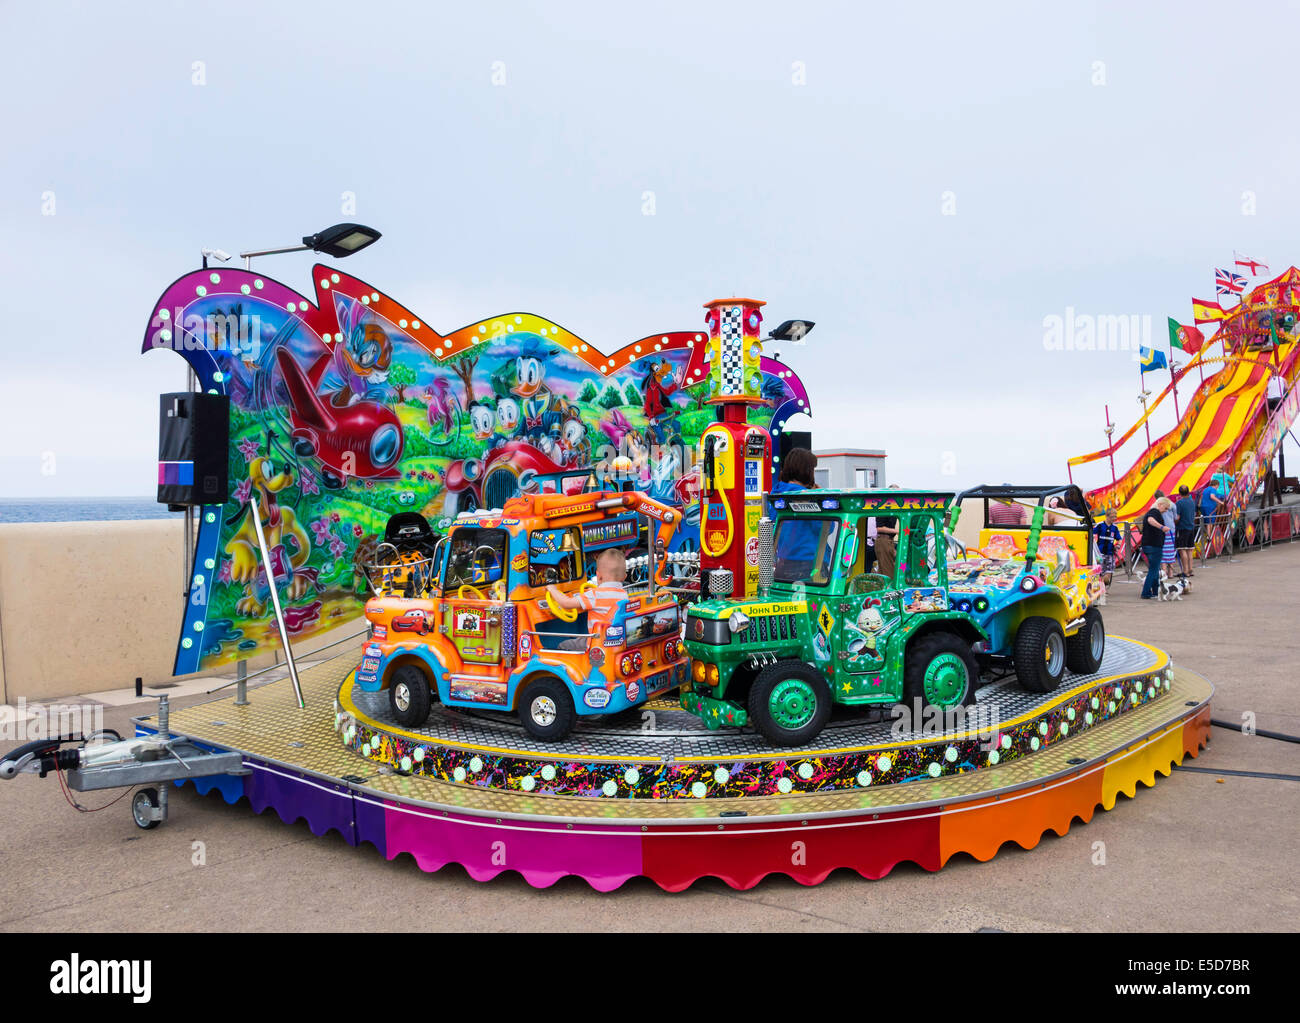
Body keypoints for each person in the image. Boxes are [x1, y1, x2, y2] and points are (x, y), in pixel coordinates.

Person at [549, 549, 628, 650]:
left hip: (596, 644)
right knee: (580, 638)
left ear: (598, 576)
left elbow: (566, 603)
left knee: (564, 645)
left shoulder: (594, 595)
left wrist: (553, 589)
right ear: (625, 577)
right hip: (615, 640)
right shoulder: (624, 594)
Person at [769, 448, 821, 579]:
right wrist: (819, 497)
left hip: (782, 564)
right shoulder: (808, 497)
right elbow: (825, 528)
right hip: (809, 564)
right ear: (806, 471)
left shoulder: (776, 494)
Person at [1140, 498, 1171, 599]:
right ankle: (1146, 592)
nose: (1165, 511)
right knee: (1154, 570)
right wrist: (1162, 527)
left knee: (1155, 569)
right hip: (1154, 546)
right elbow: (1150, 520)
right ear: (1160, 504)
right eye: (1165, 508)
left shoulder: (1152, 512)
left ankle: (1155, 591)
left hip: (1148, 545)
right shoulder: (1154, 512)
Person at [1093, 508, 1121, 600]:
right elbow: (1091, 534)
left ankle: (1103, 587)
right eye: (1112, 517)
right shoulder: (1100, 525)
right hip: (1100, 554)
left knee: (1107, 577)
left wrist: (1118, 545)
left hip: (1110, 554)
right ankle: (1101, 590)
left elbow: (1119, 538)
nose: (1114, 518)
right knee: (1099, 573)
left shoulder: (1115, 528)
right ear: (1107, 516)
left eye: (1115, 517)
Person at [1175, 485, 1197, 577]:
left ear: (1180, 493)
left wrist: (1174, 522)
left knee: (1182, 549)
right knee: (1189, 549)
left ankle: (1185, 570)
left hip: (1182, 528)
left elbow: (1178, 517)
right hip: (1191, 527)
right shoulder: (1192, 501)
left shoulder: (1179, 503)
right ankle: (1190, 569)